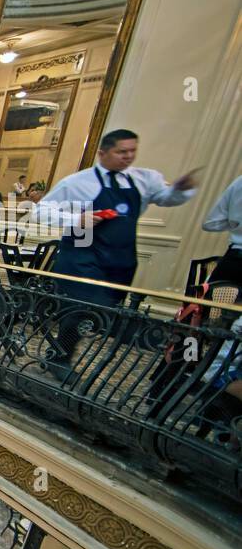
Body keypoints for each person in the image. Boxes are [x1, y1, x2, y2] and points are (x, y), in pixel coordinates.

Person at [32, 128, 198, 379]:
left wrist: (181, 189)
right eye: (121, 152)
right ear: (103, 153)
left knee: (100, 310)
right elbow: (39, 212)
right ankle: (60, 356)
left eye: (132, 151)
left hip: (120, 256)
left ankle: (62, 350)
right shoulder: (78, 182)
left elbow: (167, 198)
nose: (128, 157)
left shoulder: (145, 179)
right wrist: (76, 218)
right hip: (81, 253)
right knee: (80, 307)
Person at [202, 174, 242, 285]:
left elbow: (210, 223)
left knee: (211, 301)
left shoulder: (239, 182)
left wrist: (236, 225)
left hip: (235, 258)